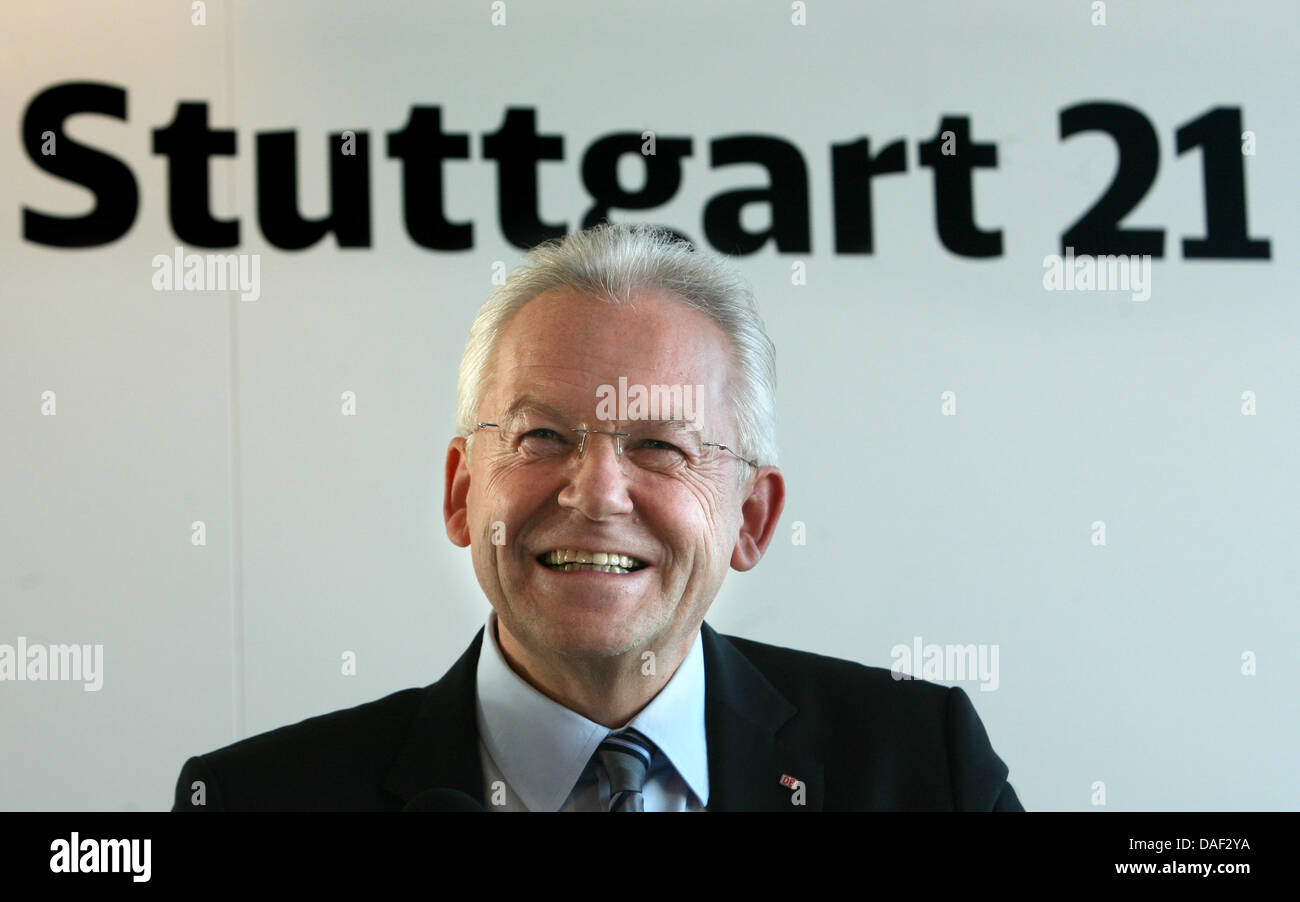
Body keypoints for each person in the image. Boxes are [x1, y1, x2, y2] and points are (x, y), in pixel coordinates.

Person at [172, 223, 1023, 811]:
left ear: (752, 520)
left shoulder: (922, 768)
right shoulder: (256, 801)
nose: (596, 491)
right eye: (541, 435)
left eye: (660, 445)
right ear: (462, 493)